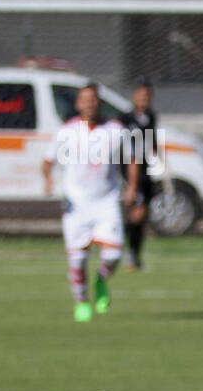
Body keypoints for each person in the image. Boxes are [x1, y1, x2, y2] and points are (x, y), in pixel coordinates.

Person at [42, 82, 136, 322]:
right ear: (78, 104)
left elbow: (132, 159)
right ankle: (81, 302)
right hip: (77, 203)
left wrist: (133, 186)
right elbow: (48, 160)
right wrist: (48, 180)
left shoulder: (116, 130)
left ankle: (101, 279)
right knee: (78, 259)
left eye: (93, 99)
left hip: (106, 201)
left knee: (114, 255)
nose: (90, 103)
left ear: (99, 102)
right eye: (85, 99)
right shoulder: (67, 132)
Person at [116, 79, 158, 271]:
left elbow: (152, 143)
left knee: (141, 213)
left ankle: (134, 255)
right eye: (140, 96)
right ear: (133, 97)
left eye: (147, 96)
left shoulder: (151, 117)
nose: (143, 99)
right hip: (129, 170)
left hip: (145, 170)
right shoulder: (124, 119)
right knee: (137, 213)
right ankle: (129, 254)